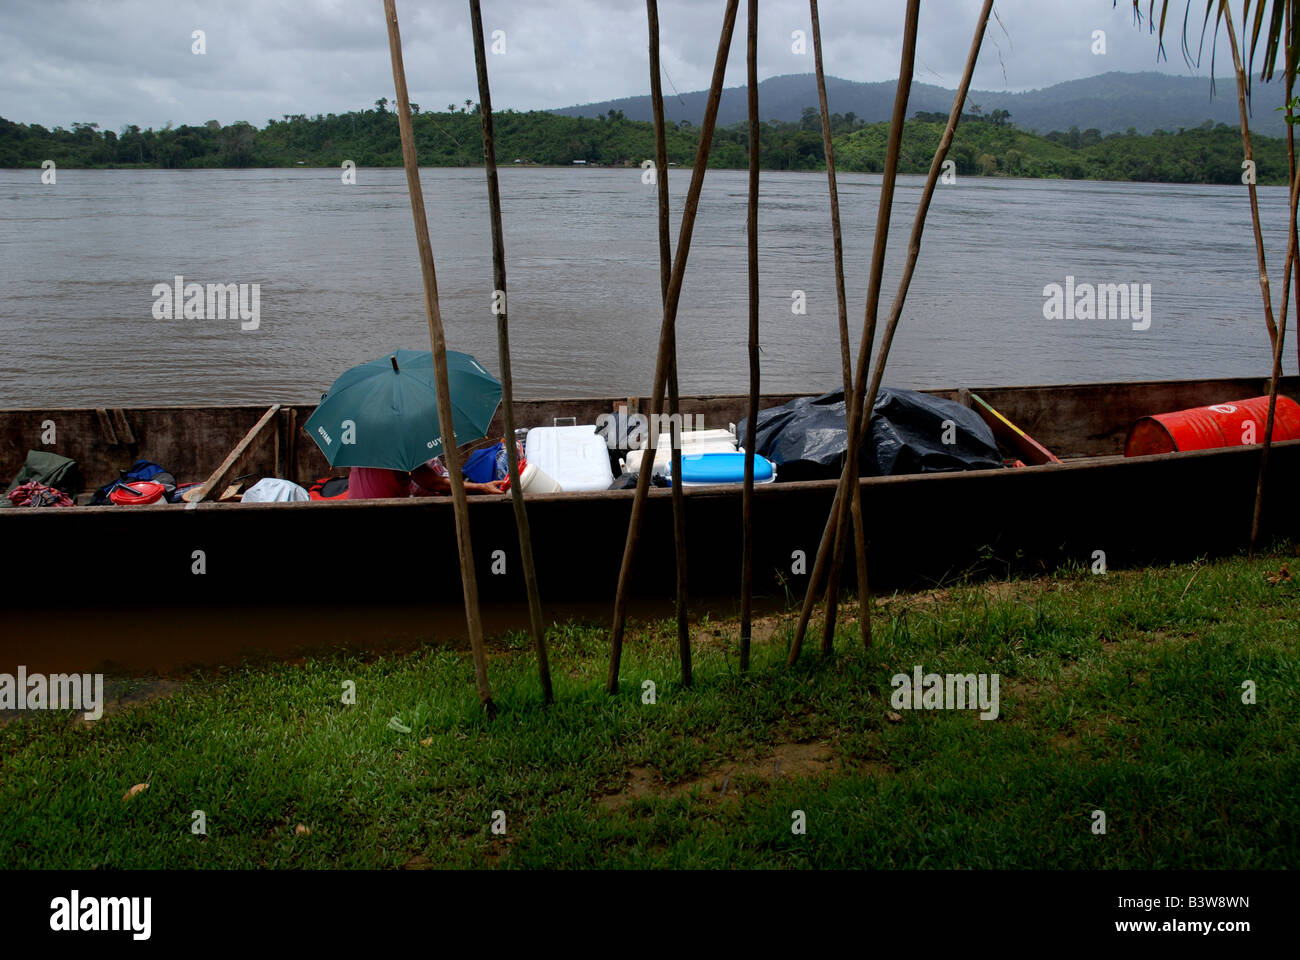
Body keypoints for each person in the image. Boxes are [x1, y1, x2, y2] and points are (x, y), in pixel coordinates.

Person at [348, 455, 504, 500]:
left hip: (353, 503)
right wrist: (482, 487)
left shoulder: (362, 442)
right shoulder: (401, 450)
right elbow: (435, 483)